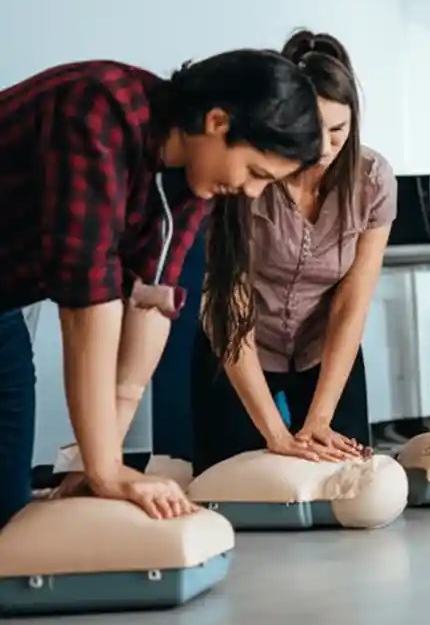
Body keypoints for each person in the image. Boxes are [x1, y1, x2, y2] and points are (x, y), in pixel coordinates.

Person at [0, 49, 323, 526]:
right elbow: (88, 302)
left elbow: (154, 299)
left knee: (9, 514)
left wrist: (98, 463)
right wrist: (107, 467)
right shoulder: (97, 110)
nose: (253, 192)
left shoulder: (193, 179)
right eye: (255, 172)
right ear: (217, 121)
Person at [189, 31, 394, 474]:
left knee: (345, 474)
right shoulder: (245, 177)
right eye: (312, 133)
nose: (324, 149)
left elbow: (351, 303)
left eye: (339, 131)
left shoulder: (373, 180)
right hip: (240, 348)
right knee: (234, 480)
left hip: (323, 353)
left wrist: (318, 418)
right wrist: (276, 434)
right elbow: (231, 304)